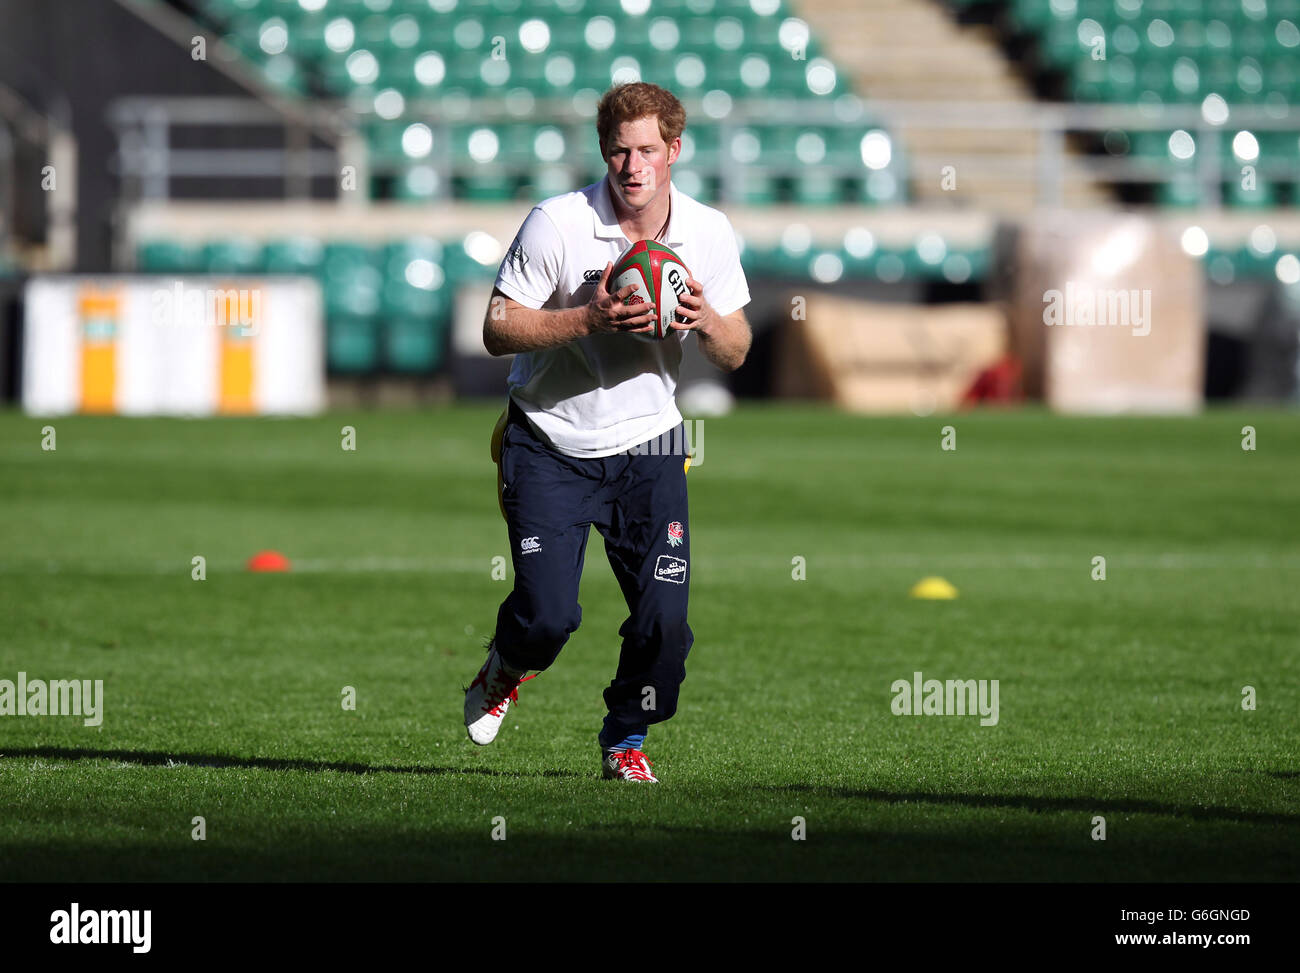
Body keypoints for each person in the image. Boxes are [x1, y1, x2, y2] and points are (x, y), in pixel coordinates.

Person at [463, 82, 752, 782]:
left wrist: (708, 320)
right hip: (550, 440)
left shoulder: (707, 232)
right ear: (604, 152)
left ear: (674, 150)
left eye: (648, 150)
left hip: (651, 443)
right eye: (619, 151)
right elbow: (497, 327)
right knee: (548, 617)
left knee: (665, 626)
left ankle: (625, 736)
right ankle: (507, 664)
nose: (633, 166)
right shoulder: (557, 223)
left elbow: (737, 348)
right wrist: (586, 320)